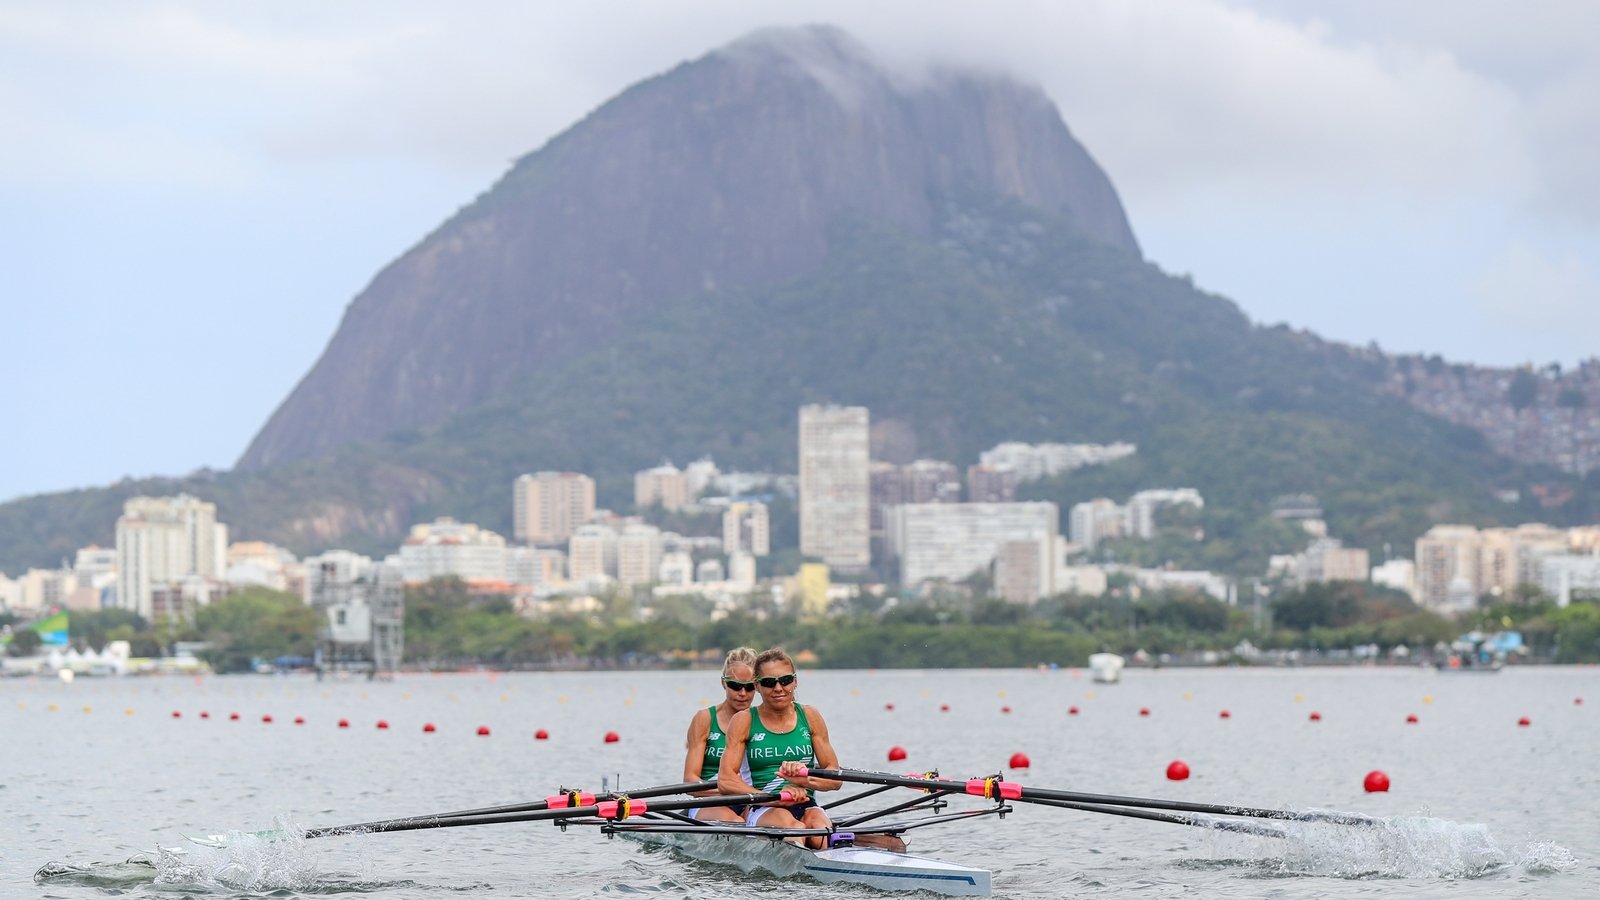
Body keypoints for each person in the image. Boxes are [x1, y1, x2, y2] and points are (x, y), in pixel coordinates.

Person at [716, 647, 844, 848]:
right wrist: (773, 799)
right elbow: (725, 781)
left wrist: (804, 779)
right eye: (768, 682)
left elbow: (834, 778)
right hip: (763, 807)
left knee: (820, 832)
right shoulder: (744, 720)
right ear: (757, 686)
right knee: (795, 829)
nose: (778, 688)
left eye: (785, 680)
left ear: (795, 681)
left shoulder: (810, 716)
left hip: (806, 803)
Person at [680, 647, 758, 822]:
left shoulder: (763, 721)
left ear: (758, 685)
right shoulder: (705, 719)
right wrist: (731, 789)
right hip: (709, 801)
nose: (743, 693)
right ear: (723, 683)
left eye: (750, 687)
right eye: (735, 686)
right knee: (737, 823)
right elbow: (690, 780)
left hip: (751, 800)